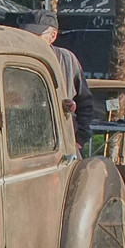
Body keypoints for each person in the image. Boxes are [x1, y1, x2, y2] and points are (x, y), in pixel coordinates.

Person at [19, 9, 95, 149]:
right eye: (26, 34)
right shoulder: (15, 60)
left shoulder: (67, 60)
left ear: (52, 36)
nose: (29, 40)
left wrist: (80, 139)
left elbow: (85, 102)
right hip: (22, 142)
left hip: (62, 143)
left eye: (36, 35)